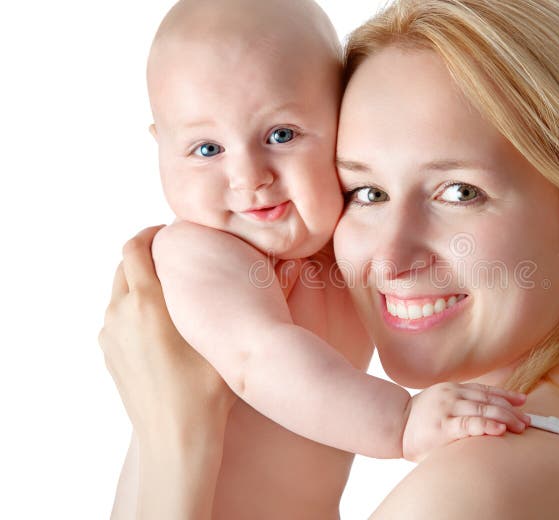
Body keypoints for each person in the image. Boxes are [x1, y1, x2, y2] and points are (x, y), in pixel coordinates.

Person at [100, 0, 559, 518]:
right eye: (365, 190)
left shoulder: (473, 493)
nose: (389, 258)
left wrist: (173, 438)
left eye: (459, 192)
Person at [106, 0, 533, 517]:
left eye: (280, 135)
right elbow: (257, 358)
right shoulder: (196, 253)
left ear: (338, 126)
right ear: (160, 144)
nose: (250, 177)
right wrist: (403, 422)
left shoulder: (344, 240)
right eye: (206, 149)